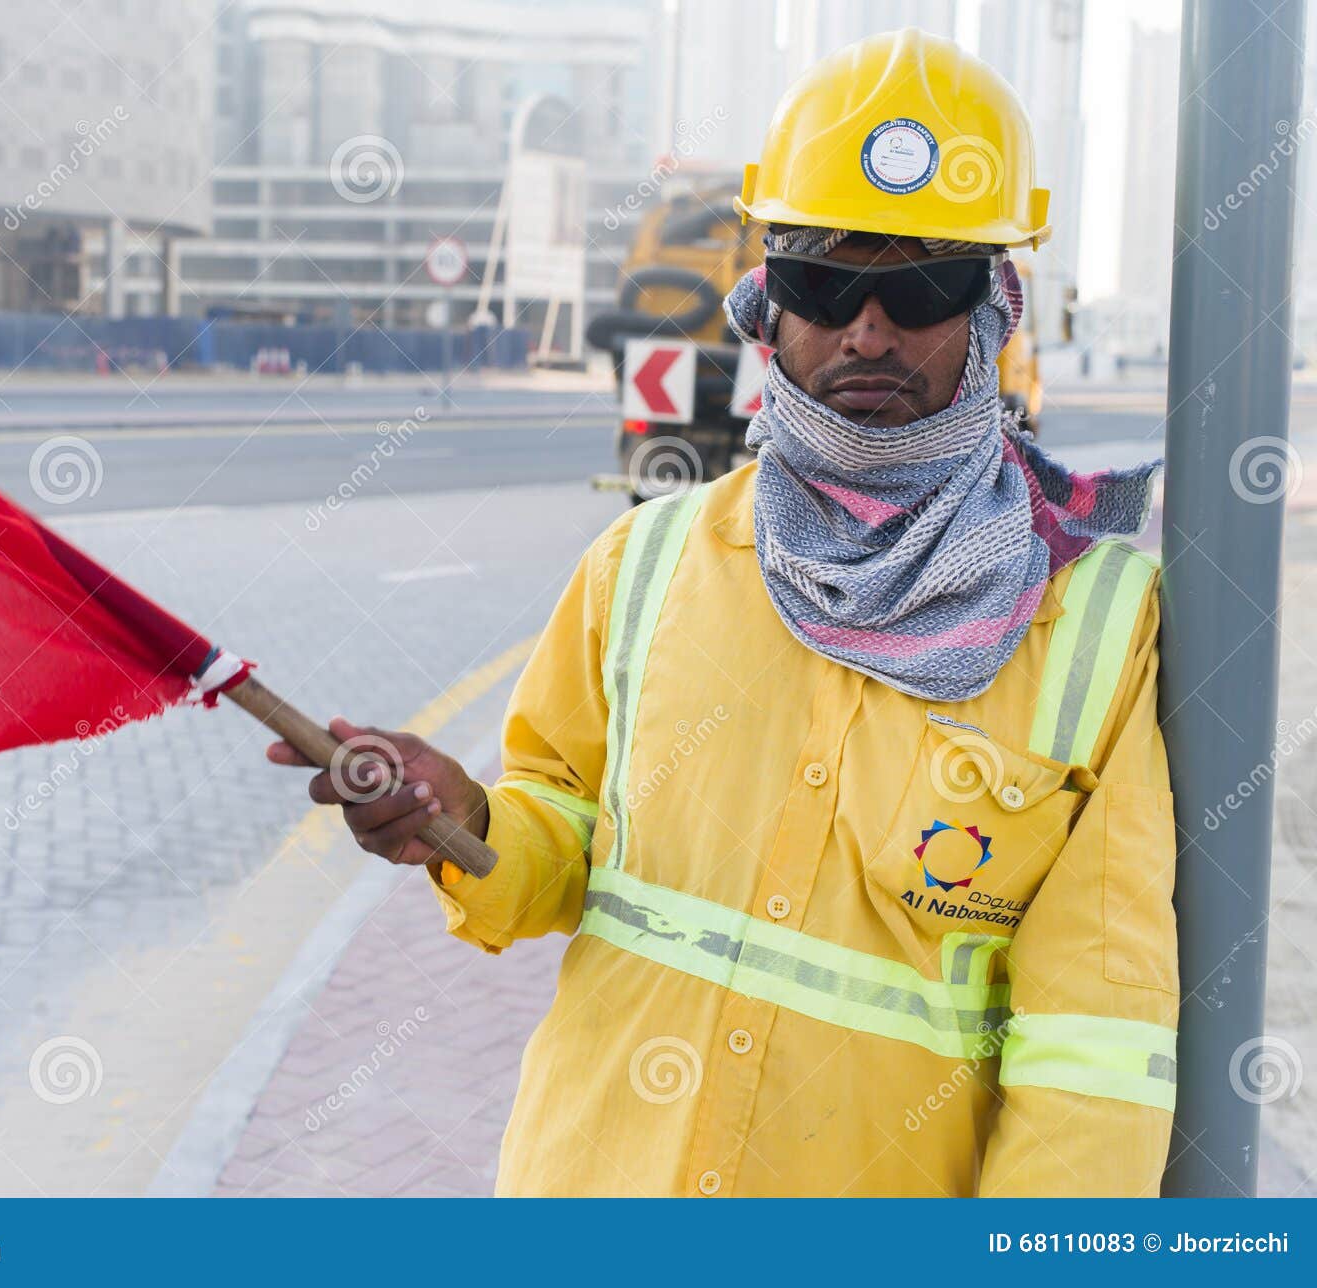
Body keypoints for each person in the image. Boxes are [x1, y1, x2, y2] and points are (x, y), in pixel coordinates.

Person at [268, 28, 1177, 1197]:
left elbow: (1095, 1042)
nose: (865, 330)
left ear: (991, 307)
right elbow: (564, 842)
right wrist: (467, 821)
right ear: (765, 300)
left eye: (919, 286)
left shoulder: (1095, 622)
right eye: (823, 281)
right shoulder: (642, 563)